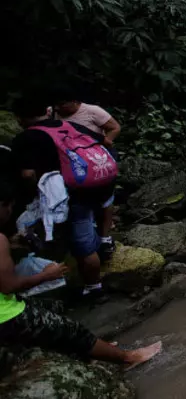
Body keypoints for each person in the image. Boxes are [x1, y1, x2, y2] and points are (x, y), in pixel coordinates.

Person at [0, 180, 162, 367]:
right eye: (8, 206)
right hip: (6, 314)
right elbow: (8, 286)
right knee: (71, 329)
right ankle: (128, 358)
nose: (10, 212)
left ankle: (89, 349)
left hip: (7, 308)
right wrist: (47, 275)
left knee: (55, 308)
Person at [11, 97, 116, 297]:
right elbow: (104, 142)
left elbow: (28, 174)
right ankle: (92, 277)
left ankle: (90, 288)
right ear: (47, 110)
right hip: (92, 187)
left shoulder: (26, 138)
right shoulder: (68, 125)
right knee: (82, 234)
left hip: (63, 197)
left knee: (78, 244)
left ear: (19, 118)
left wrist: (32, 192)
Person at [51, 88, 121, 254]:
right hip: (72, 162)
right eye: (56, 106)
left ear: (74, 101)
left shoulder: (92, 111)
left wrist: (103, 145)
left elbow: (115, 127)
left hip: (97, 158)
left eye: (62, 105)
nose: (59, 109)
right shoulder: (53, 113)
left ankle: (104, 237)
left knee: (105, 197)